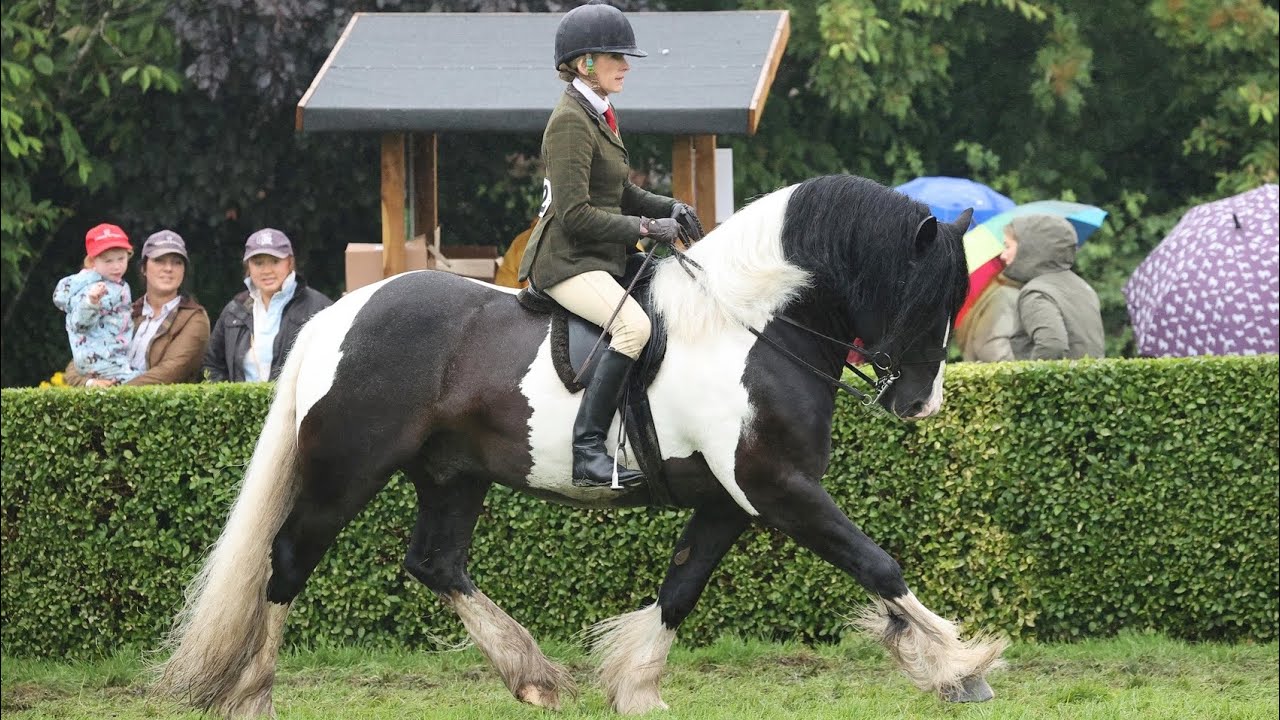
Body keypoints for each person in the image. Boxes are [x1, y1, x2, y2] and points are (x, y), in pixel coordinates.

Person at [516, 1, 703, 488]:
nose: (625, 66)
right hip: (567, 260)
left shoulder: (598, 111)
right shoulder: (570, 122)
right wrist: (645, 229)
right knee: (633, 328)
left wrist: (669, 207)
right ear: (585, 64)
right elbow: (576, 216)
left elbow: (618, 192)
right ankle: (587, 451)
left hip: (601, 253)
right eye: (615, 57)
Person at [63, 229, 212, 387]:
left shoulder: (194, 318)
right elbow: (80, 359)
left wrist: (113, 394)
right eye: (159, 260)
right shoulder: (125, 312)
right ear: (144, 269)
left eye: (177, 262)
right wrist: (91, 384)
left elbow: (169, 373)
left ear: (184, 271)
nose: (168, 268)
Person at [957, 215, 1104, 361]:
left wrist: (1029, 380)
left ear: (1028, 250)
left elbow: (1052, 346)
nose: (1003, 255)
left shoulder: (1036, 292)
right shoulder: (1083, 287)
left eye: (1008, 246)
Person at [203, 228, 333, 382]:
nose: (266, 270)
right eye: (258, 263)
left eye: (275, 261)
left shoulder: (320, 307)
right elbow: (212, 364)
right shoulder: (234, 310)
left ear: (290, 263)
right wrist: (228, 400)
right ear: (248, 267)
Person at [52, 223, 140, 385]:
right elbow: (79, 324)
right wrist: (91, 302)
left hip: (110, 356)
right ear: (92, 262)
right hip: (104, 359)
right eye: (108, 261)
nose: (116, 266)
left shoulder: (112, 283)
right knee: (143, 384)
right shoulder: (95, 289)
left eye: (121, 258)